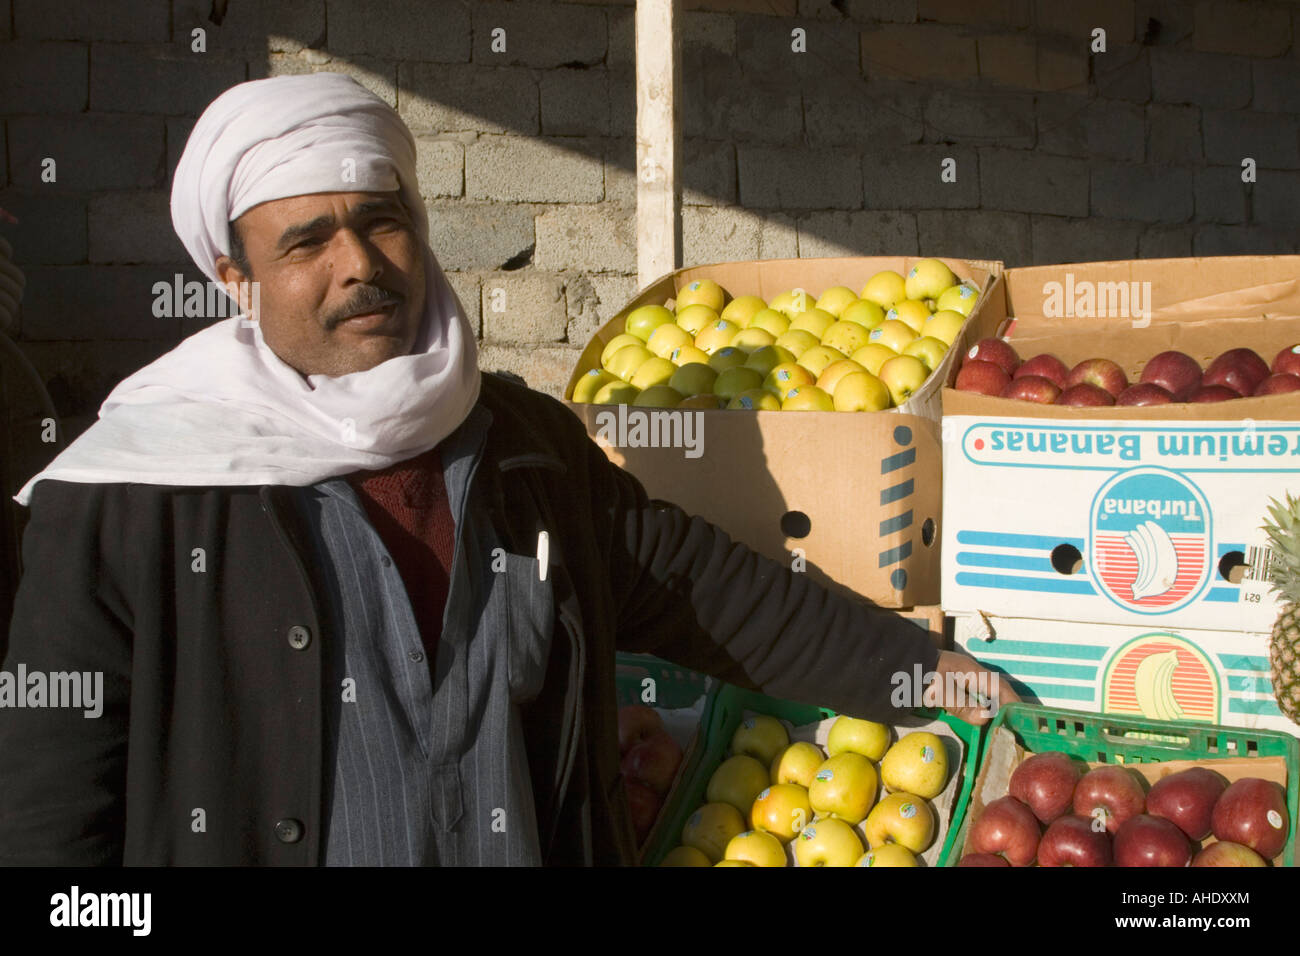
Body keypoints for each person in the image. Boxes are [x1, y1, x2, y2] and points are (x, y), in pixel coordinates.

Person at [0, 73, 1013, 866]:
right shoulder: (134, 492)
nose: (359, 261)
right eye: (307, 240)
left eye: (380, 219)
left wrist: (933, 676)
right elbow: (50, 798)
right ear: (235, 278)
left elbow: (704, 586)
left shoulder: (521, 444)